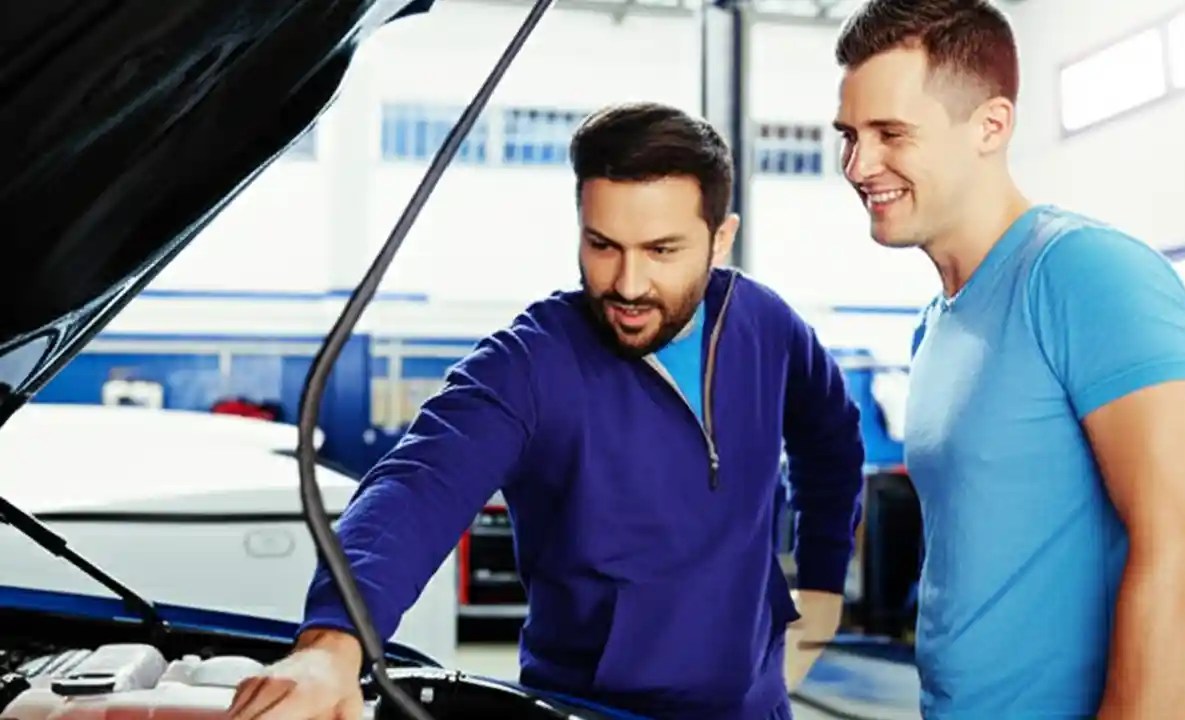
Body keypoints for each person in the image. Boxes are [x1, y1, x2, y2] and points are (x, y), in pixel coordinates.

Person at [227, 101, 866, 720]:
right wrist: (333, 644)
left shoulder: (766, 326)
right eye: (603, 245)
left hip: (755, 707)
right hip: (587, 710)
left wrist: (822, 584)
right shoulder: (530, 364)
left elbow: (831, 441)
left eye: (662, 250)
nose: (628, 283)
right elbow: (416, 487)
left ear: (719, 239)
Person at [829, 1, 1185, 718]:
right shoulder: (936, 325)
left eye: (891, 133)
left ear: (991, 126)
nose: (859, 165)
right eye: (849, 136)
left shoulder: (1085, 272)